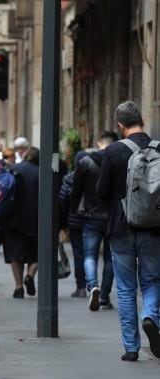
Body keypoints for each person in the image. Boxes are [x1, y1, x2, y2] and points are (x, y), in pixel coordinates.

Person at [96, 101, 160, 362]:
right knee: (153, 280)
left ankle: (131, 348)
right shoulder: (157, 148)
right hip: (153, 227)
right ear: (142, 120)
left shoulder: (112, 152)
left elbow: (101, 191)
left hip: (120, 227)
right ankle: (151, 316)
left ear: (119, 125)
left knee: (124, 288)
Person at [72, 131, 118, 311]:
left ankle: (93, 285)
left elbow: (76, 191)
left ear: (99, 142)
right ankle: (105, 297)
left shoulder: (85, 162)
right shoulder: (117, 161)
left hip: (91, 216)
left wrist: (74, 210)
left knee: (89, 255)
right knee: (110, 258)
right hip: (113, 217)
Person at [3, 146, 40, 298]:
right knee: (37, 253)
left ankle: (18, 287)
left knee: (15, 254)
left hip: (13, 220)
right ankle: (30, 275)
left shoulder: (13, 169)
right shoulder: (42, 172)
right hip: (36, 219)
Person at [59, 149, 88, 299]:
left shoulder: (69, 178)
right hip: (93, 220)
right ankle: (94, 284)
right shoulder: (96, 175)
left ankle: (81, 287)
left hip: (74, 222)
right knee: (91, 254)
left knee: (79, 254)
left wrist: (62, 224)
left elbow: (62, 201)